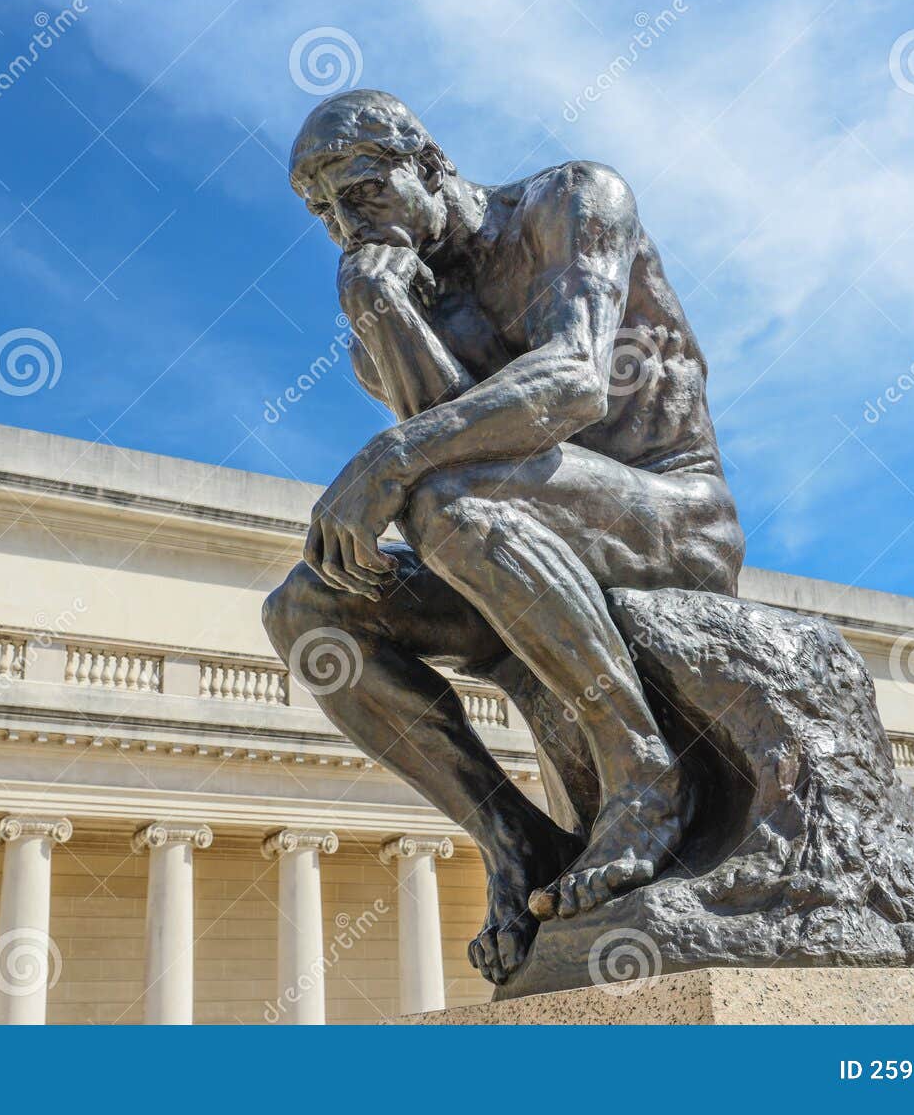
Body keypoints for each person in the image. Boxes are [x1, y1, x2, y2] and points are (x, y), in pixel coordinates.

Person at [262, 90, 745, 986]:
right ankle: (517, 842)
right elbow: (448, 448)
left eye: (361, 194)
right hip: (510, 538)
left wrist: (389, 457)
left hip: (669, 518)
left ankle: (646, 772)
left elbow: (572, 384)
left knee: (439, 492)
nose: (343, 227)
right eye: (323, 214)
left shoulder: (570, 201)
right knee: (307, 610)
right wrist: (385, 318)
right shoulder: (391, 302)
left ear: (429, 163)